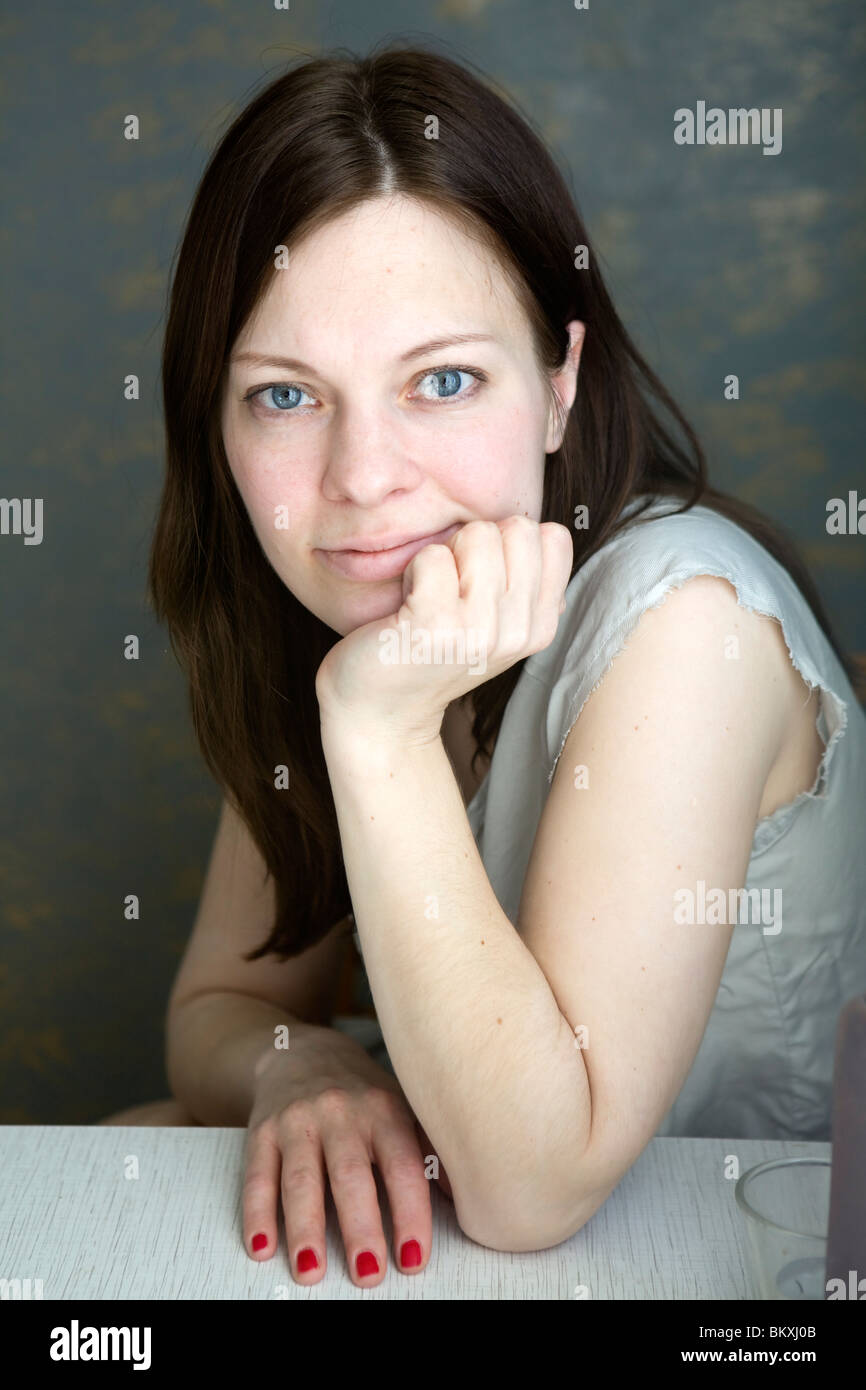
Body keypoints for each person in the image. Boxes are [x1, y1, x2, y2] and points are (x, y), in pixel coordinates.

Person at [98, 42, 866, 1288]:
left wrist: (381, 731)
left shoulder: (683, 629)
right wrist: (306, 1061)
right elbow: (218, 1011)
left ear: (559, 383)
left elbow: (530, 1188)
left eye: (443, 381)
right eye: (285, 397)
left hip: (741, 1271)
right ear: (216, 419)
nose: (362, 478)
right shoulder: (338, 602)